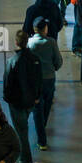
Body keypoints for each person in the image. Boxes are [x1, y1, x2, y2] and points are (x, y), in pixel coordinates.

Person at [3, 28, 42, 163]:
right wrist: (37, 96)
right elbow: (39, 79)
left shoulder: (13, 61)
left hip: (17, 103)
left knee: (21, 132)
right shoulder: (35, 59)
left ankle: (25, 160)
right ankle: (24, 157)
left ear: (16, 42)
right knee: (23, 126)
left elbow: (7, 83)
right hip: (31, 101)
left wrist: (7, 99)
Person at [27, 18, 62, 151]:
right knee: (47, 105)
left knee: (37, 108)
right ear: (44, 29)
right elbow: (58, 61)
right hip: (49, 79)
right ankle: (42, 131)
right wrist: (53, 68)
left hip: (36, 81)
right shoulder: (51, 42)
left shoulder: (30, 43)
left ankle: (41, 138)